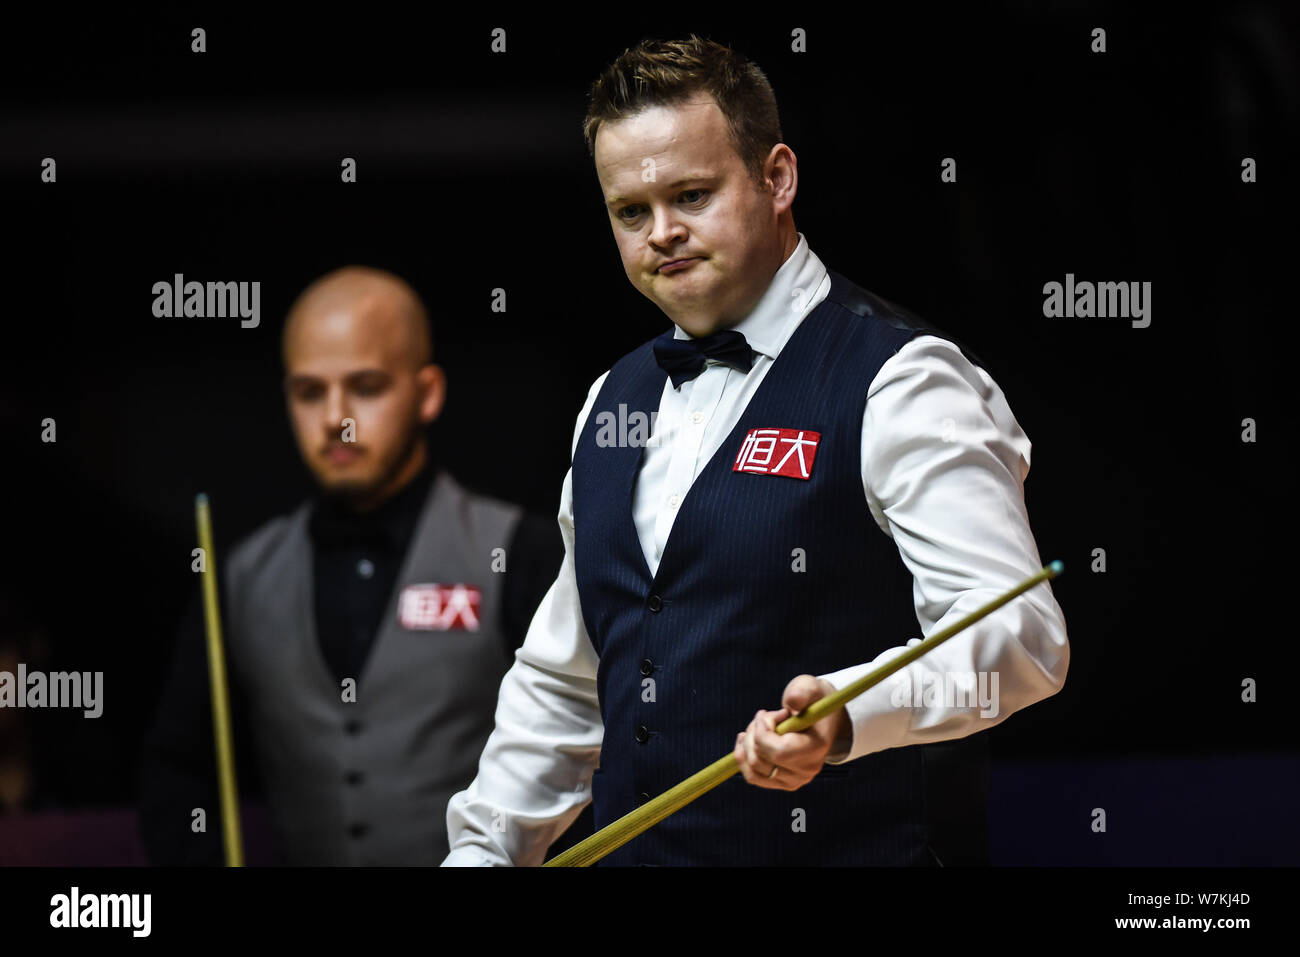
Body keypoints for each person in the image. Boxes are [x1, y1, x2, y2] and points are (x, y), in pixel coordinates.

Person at [443, 35, 1069, 867]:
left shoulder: (903, 379)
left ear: (777, 177)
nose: (662, 232)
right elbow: (566, 677)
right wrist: (482, 853)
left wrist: (851, 709)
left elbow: (1022, 635)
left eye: (693, 195)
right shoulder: (611, 400)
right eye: (631, 212)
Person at [139, 265, 583, 865]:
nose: (335, 418)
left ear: (427, 393)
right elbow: (178, 771)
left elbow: (582, 745)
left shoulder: (520, 551)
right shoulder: (241, 577)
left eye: (366, 386)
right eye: (309, 392)